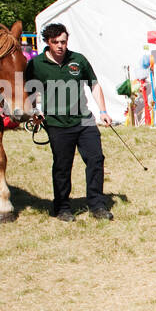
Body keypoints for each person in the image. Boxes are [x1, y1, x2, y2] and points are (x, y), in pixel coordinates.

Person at [24, 23, 114, 221]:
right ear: (47, 42)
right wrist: (34, 111)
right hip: (57, 123)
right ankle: (63, 207)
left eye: (63, 42)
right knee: (63, 166)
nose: (60, 46)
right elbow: (27, 90)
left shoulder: (78, 60)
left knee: (96, 159)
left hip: (84, 120)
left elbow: (94, 84)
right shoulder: (36, 64)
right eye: (55, 42)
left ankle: (97, 205)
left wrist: (103, 111)